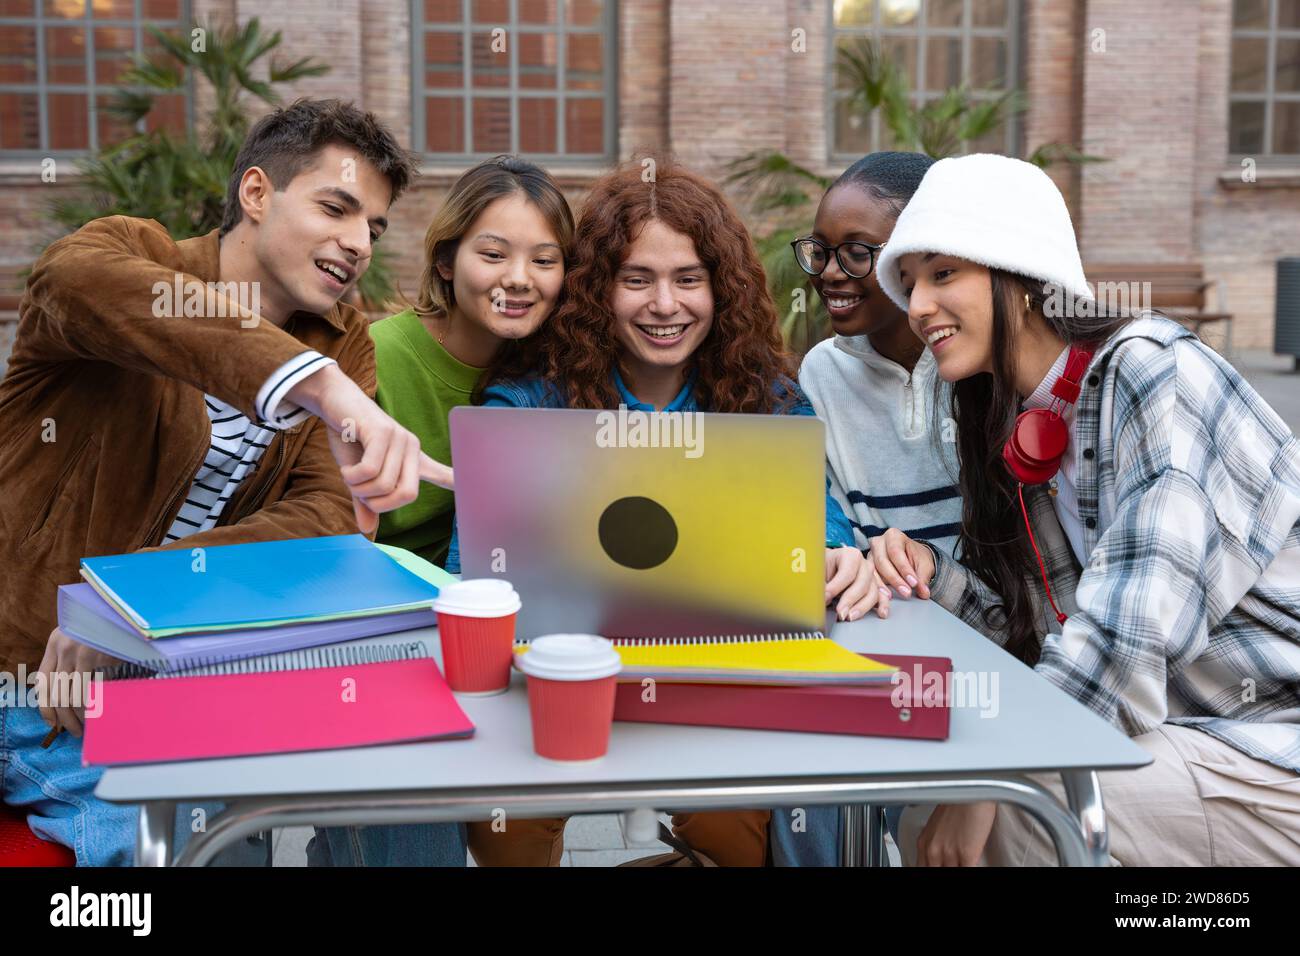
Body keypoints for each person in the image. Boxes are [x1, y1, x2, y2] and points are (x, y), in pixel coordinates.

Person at [0, 98, 447, 866]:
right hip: (36, 682)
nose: (356, 244)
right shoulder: (131, 257)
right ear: (256, 194)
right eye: (335, 207)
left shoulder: (344, 339)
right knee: (197, 833)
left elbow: (326, 513)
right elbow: (76, 282)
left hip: (193, 659)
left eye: (372, 228)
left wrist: (122, 606)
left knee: (411, 786)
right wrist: (318, 387)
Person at [869, 152, 1300, 866]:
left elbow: (1124, 641)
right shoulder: (1017, 418)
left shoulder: (1155, 371)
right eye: (911, 283)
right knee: (925, 800)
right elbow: (1032, 634)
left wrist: (995, 777)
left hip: (1269, 742)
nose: (915, 306)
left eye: (944, 273)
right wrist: (926, 575)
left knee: (1022, 816)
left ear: (1024, 274)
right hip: (1188, 736)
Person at [448, 157, 876, 866]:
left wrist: (839, 554)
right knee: (506, 827)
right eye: (636, 279)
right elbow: (471, 570)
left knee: (736, 825)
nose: (665, 305)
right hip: (553, 684)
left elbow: (817, 527)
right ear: (598, 289)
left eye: (688, 279)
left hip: (711, 688)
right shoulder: (530, 403)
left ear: (720, 288)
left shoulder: (765, 400)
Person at [308, 154, 574, 867]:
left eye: (544, 260)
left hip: (498, 638)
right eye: (494, 253)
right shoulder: (373, 358)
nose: (519, 278)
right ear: (449, 259)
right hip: (375, 635)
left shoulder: (554, 377)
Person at [776, 150, 961, 866]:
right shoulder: (822, 369)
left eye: (857, 252)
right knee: (807, 786)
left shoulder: (969, 363)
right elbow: (830, 522)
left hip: (984, 633)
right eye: (821, 251)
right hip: (881, 630)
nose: (827, 271)